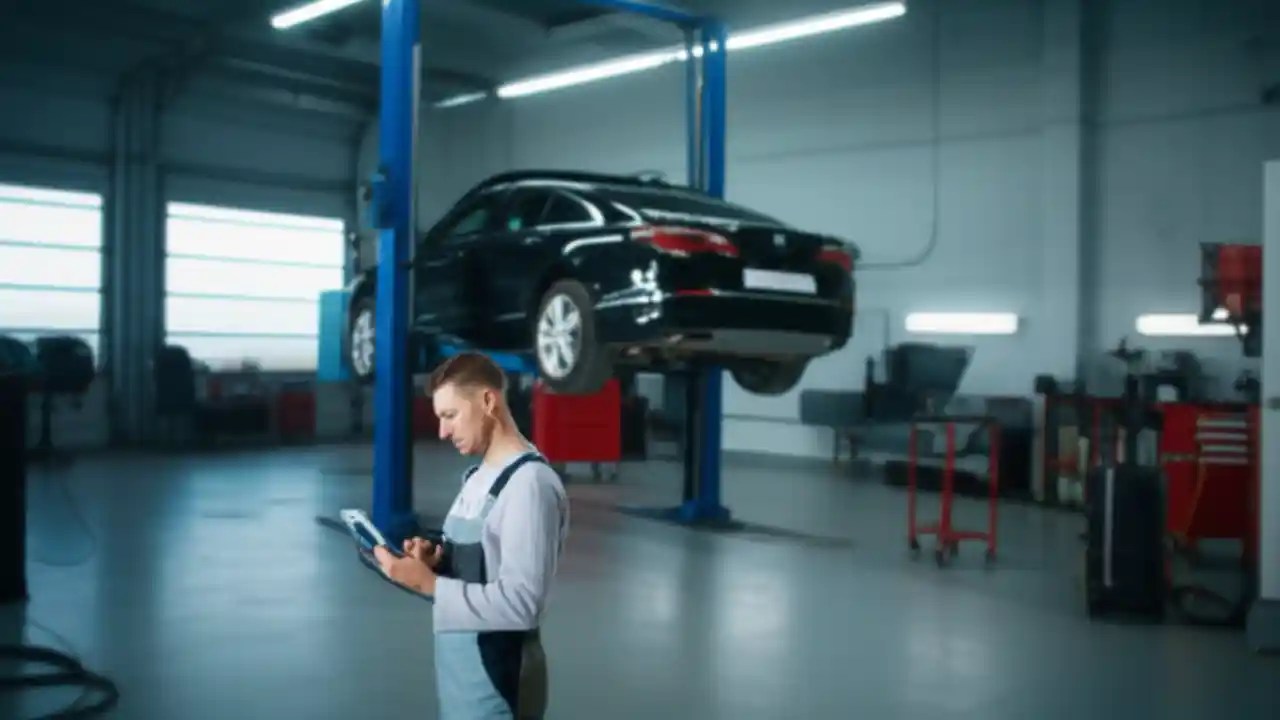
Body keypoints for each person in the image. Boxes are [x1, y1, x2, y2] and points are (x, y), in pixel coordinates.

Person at [374, 352, 570, 720]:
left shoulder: (529, 485)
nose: (442, 432)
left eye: (450, 416)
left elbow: (521, 603)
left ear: (487, 401)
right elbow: (481, 563)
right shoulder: (478, 477)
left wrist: (431, 586)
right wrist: (436, 561)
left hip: (500, 680)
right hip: (460, 674)